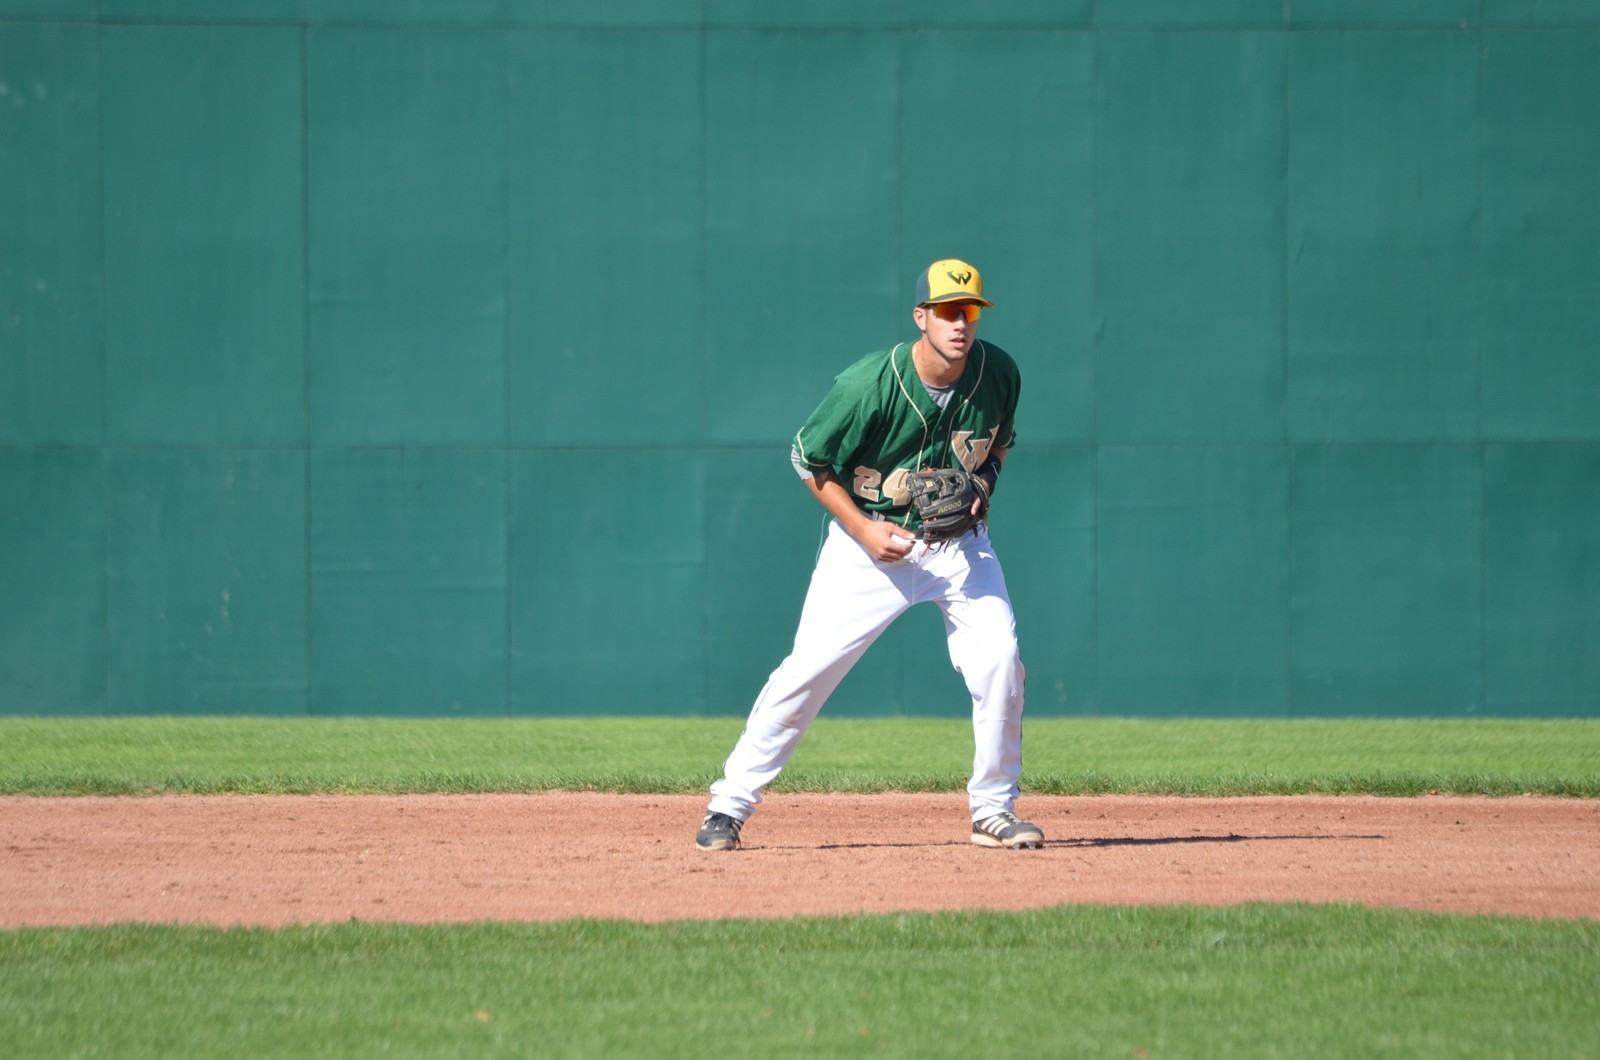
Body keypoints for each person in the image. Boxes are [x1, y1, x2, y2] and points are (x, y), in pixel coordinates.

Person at [696, 259, 1041, 852]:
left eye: (969, 311)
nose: (960, 323)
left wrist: (983, 489)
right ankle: (728, 806)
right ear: (921, 316)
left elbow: (999, 448)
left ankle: (993, 810)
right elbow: (808, 459)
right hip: (871, 549)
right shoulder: (868, 384)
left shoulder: (999, 372)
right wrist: (862, 530)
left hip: (959, 549)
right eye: (947, 311)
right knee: (807, 673)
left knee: (1001, 663)